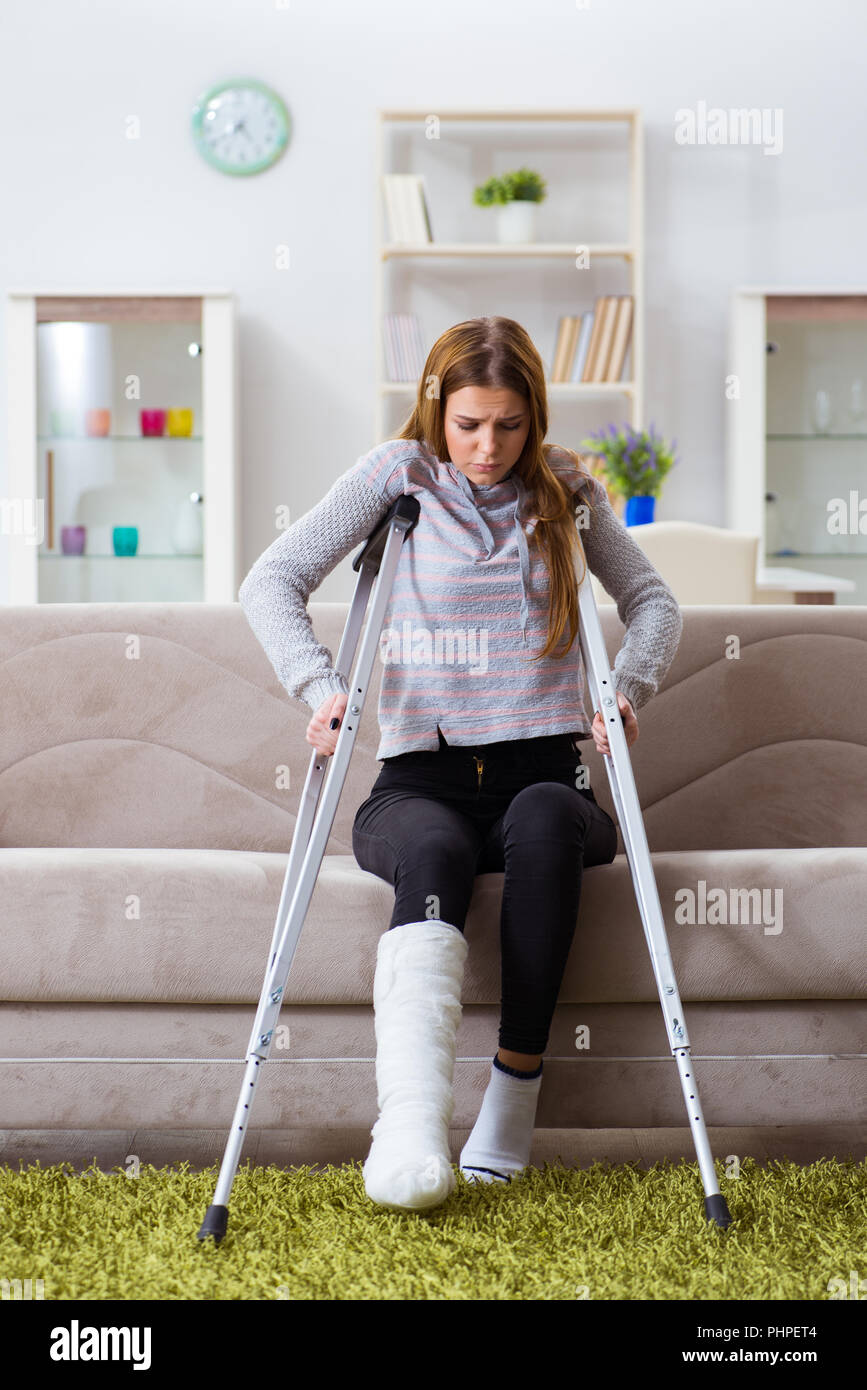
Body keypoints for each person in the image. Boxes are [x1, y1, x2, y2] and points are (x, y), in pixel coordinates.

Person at [237, 315, 683, 1215]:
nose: (488, 447)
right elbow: (271, 580)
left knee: (547, 819)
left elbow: (652, 602)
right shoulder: (394, 477)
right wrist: (318, 687)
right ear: (436, 410)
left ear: (535, 417)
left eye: (510, 425)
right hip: (420, 779)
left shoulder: (563, 488)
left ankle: (513, 1094)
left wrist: (624, 688)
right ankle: (408, 1126)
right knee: (433, 848)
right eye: (470, 424)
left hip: (546, 775)